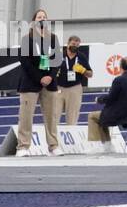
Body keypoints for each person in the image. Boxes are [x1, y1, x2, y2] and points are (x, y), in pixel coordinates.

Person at [15, 9, 60, 157]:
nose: (42, 19)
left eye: (44, 17)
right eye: (39, 17)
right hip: (30, 82)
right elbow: (25, 62)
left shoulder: (53, 38)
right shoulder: (26, 39)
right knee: (26, 116)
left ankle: (53, 146)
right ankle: (23, 146)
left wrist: (49, 77)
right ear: (34, 21)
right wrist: (39, 78)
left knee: (51, 116)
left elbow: (57, 60)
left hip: (50, 82)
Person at [87, 56, 127, 145]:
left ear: (120, 66)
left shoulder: (119, 80)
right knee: (102, 118)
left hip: (119, 115)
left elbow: (111, 98)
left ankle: (95, 145)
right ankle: (107, 146)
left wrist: (99, 99)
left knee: (92, 116)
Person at [54, 35, 93, 125]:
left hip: (74, 89)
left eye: (77, 45)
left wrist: (83, 70)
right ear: (68, 44)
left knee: (72, 116)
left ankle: (71, 135)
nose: (75, 46)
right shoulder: (59, 55)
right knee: (54, 115)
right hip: (59, 88)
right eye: (73, 44)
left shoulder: (81, 57)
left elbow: (90, 74)